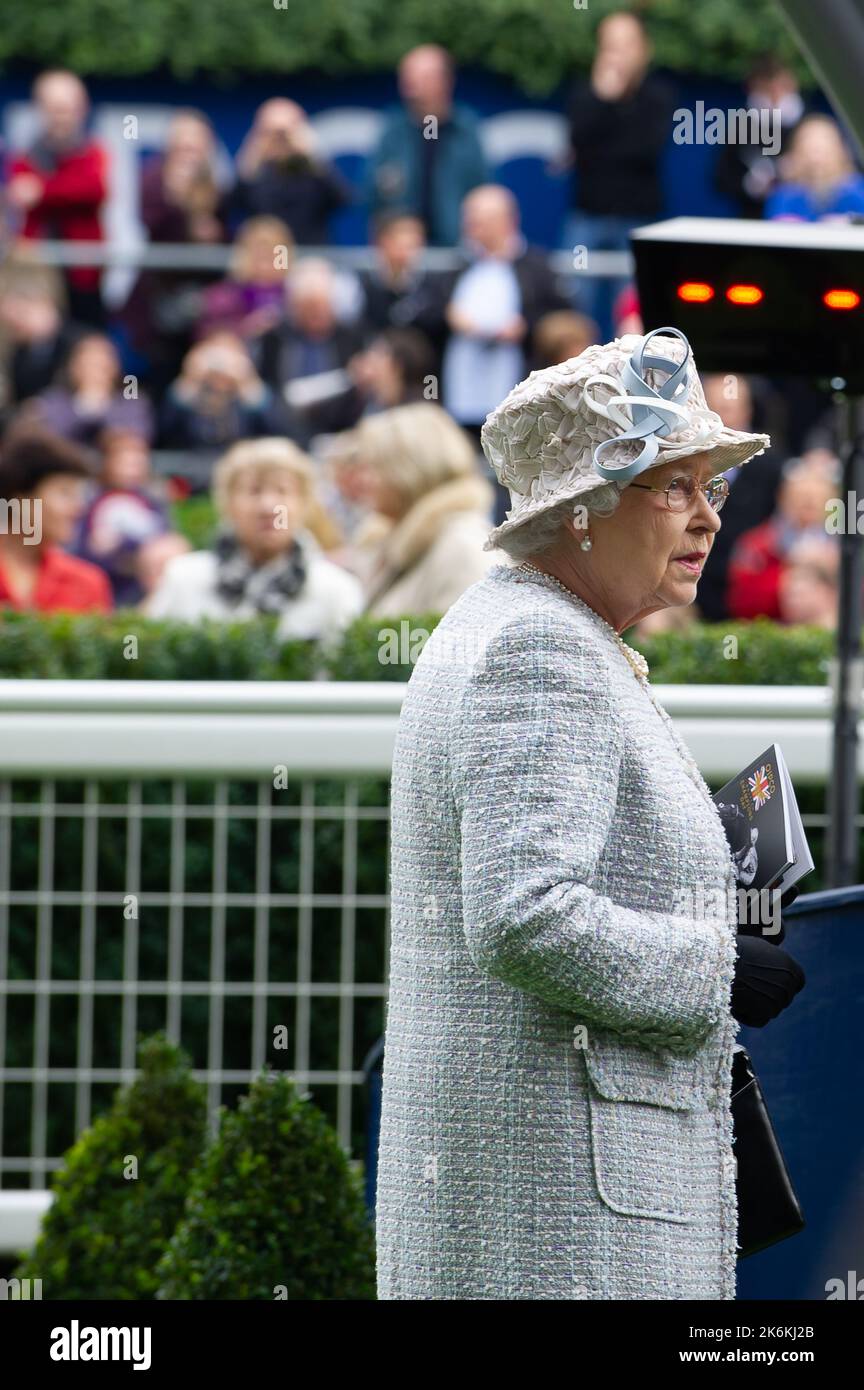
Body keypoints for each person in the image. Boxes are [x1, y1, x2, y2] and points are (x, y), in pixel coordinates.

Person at [375, 327, 807, 1300]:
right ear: (582, 511)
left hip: (550, 1212)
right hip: (568, 1232)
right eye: (674, 487)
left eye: (713, 490)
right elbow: (526, 913)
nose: (707, 521)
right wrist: (719, 964)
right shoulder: (542, 649)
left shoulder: (531, 627)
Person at [144, 437, 363, 642]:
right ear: (227, 503)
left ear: (304, 504)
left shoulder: (336, 590)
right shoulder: (183, 579)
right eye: (253, 491)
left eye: (282, 491)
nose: (267, 507)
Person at [330, 402, 503, 617]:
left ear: (407, 470)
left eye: (373, 467)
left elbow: (465, 642)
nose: (363, 480)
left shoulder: (462, 545)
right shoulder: (390, 540)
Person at [562, 12, 674, 335]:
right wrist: (603, 100)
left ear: (644, 50)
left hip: (639, 220)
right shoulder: (585, 95)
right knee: (574, 307)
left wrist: (608, 118)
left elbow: (645, 151)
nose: (618, 54)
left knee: (636, 314)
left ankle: (631, 383)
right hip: (588, 215)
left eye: (627, 45)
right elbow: (578, 142)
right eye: (610, 46)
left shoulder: (660, 96)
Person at [120, 109, 230, 397]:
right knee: (155, 375)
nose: (189, 156)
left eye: (195, 148)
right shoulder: (152, 180)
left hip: (206, 303)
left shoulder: (220, 187)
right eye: (182, 148)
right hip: (157, 303)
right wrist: (175, 200)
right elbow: (149, 224)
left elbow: (232, 237)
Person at [5, 70, 109, 326]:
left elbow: (93, 190)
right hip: (36, 271)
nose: (60, 118)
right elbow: (19, 195)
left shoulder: (94, 152)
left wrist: (42, 191)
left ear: (81, 110)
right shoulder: (25, 156)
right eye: (54, 109)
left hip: (83, 274)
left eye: (66, 109)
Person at [367, 44, 489, 246]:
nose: (411, 86)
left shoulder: (465, 130)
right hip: (404, 250)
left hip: (455, 247)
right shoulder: (394, 130)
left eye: (422, 77)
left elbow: (483, 188)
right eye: (407, 77)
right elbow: (372, 192)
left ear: (445, 82)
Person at [0, 426, 111, 612]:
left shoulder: (88, 584)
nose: (78, 508)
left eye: (79, 495)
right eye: (64, 493)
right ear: (21, 499)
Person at [726, 456, 838, 621]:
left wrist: (832, 570)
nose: (808, 503)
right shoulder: (758, 543)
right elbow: (740, 600)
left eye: (817, 497)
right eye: (801, 496)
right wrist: (789, 576)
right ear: (783, 498)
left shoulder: (846, 546)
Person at [230, 98, 353, 244]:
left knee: (313, 267)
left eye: (287, 132)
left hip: (310, 253)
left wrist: (314, 153)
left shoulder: (314, 169)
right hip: (271, 256)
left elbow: (344, 199)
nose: (280, 139)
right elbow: (232, 206)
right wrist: (252, 154)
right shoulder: (256, 173)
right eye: (271, 132)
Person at [74, 427, 173, 607]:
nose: (133, 467)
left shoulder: (154, 499)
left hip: (145, 593)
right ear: (107, 462)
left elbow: (168, 542)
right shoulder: (89, 499)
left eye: (139, 459)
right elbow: (78, 551)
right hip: (103, 591)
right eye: (125, 460)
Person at [713, 56, 806, 219]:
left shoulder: (810, 123)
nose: (775, 94)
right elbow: (721, 177)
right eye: (767, 88)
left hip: (803, 217)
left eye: (781, 85)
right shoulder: (741, 124)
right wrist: (749, 184)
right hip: (754, 216)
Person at [29, 332, 155, 447]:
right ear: (73, 368)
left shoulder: (131, 401)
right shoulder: (53, 400)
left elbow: (138, 435)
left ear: (114, 368)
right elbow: (47, 437)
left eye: (100, 365)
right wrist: (86, 404)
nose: (93, 372)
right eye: (87, 364)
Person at [195, 215, 294, 343]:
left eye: (273, 251)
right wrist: (246, 329)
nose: (265, 258)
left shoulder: (296, 295)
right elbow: (207, 337)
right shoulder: (222, 297)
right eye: (258, 250)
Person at [765, 113, 864, 221]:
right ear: (796, 154)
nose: (816, 158)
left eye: (824, 150)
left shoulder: (857, 191)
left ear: (840, 152)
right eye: (809, 150)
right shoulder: (785, 195)